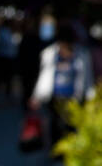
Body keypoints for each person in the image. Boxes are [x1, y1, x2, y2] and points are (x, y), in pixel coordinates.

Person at [29, 19, 95, 156]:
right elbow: (44, 77)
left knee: (71, 127)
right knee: (54, 125)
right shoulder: (49, 54)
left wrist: (91, 97)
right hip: (54, 97)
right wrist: (36, 96)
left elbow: (87, 78)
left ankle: (68, 154)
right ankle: (56, 154)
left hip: (73, 98)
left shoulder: (81, 56)